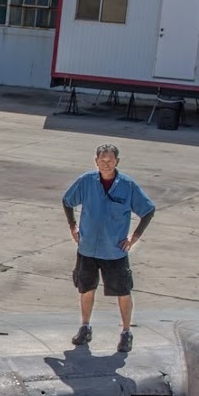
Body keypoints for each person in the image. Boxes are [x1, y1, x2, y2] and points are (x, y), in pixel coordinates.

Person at [62, 143, 156, 352]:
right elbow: (67, 200)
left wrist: (135, 236)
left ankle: (125, 332)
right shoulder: (86, 182)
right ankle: (85, 327)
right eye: (102, 160)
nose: (106, 164)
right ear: (96, 161)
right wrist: (72, 225)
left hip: (114, 250)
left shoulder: (127, 185)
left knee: (123, 291)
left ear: (117, 162)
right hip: (87, 248)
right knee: (86, 289)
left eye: (110, 161)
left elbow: (148, 210)